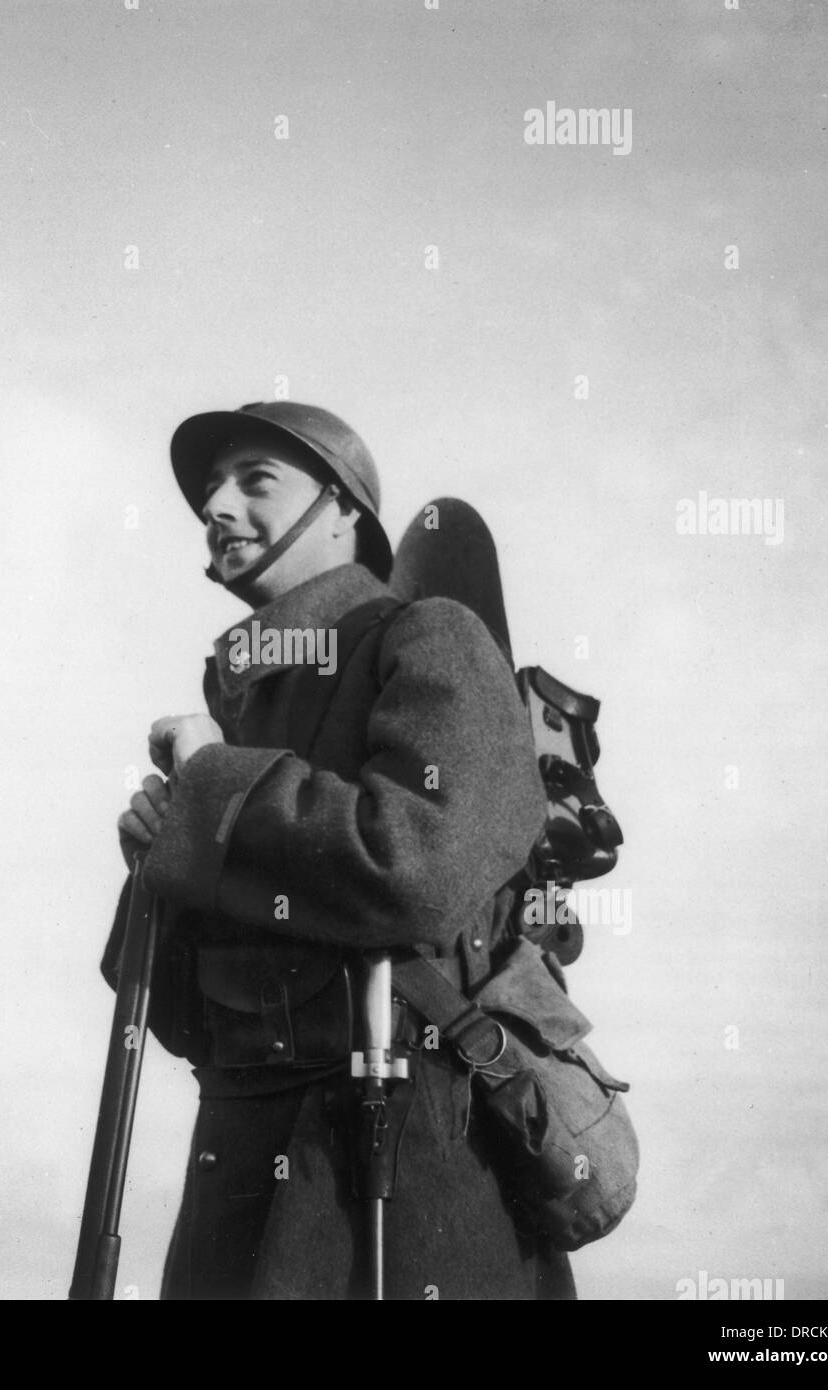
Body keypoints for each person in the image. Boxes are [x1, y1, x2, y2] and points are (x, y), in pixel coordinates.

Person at [107, 400, 575, 1300]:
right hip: (242, 1172)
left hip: (411, 1166)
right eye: (211, 491)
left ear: (343, 510)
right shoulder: (238, 704)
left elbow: (420, 864)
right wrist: (160, 867)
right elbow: (181, 1021)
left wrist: (218, 789)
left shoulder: (429, 637)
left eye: (255, 482)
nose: (218, 508)